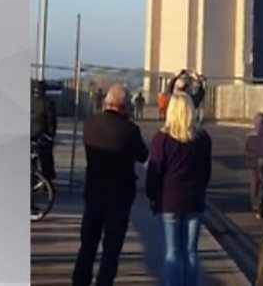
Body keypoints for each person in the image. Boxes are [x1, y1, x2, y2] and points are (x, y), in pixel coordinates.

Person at [72, 84, 149, 286]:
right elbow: (143, 155)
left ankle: (80, 282)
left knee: (87, 245)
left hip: (94, 191)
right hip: (119, 196)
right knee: (111, 248)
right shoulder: (130, 130)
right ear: (124, 106)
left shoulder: (90, 123)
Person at [147, 92, 212, 286]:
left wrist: (152, 195)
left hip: (169, 200)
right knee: (191, 252)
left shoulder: (162, 139)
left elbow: (154, 172)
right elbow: (206, 172)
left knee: (172, 252)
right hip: (194, 200)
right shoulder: (203, 138)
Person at [31, 80, 57, 187]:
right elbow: (51, 120)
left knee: (32, 162)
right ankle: (47, 185)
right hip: (43, 136)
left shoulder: (29, 100)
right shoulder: (47, 102)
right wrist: (51, 134)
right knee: (46, 162)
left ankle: (32, 183)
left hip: (31, 136)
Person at [244, 113, 263, 213]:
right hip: (259, 161)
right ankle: (260, 203)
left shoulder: (250, 137)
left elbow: (247, 148)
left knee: (254, 183)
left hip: (252, 163)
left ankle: (254, 204)